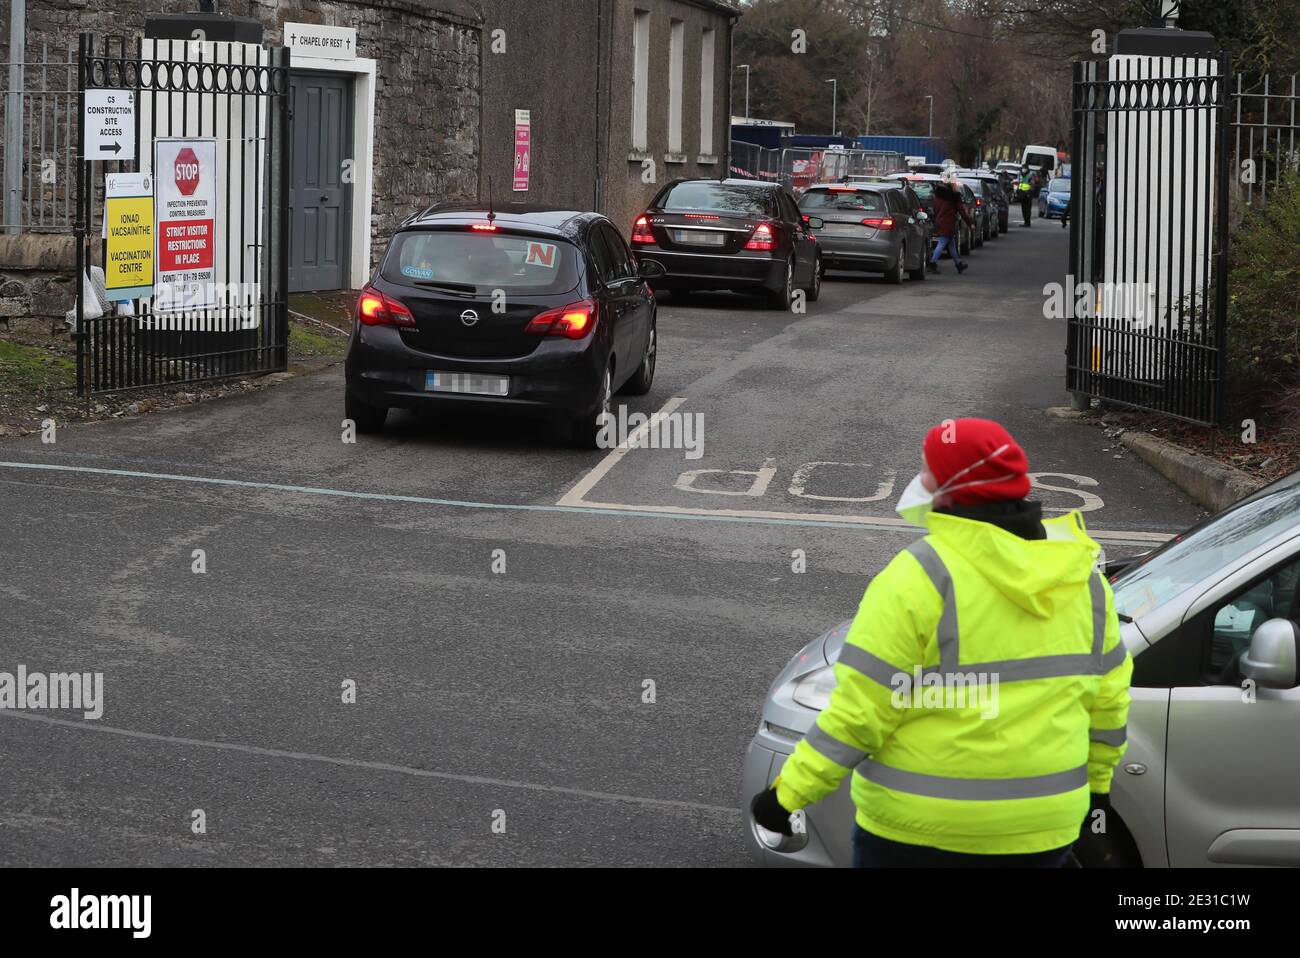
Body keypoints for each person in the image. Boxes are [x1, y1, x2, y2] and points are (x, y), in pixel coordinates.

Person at [750, 417, 1132, 868]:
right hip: (1044, 829)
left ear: (951, 489)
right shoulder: (1085, 583)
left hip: (918, 833)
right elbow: (1107, 705)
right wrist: (1098, 789)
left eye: (928, 469)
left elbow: (859, 714)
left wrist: (785, 797)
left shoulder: (918, 577)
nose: (920, 479)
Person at [926, 173, 975, 274]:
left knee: (951, 244)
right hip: (948, 223)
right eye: (954, 182)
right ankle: (933, 263)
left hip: (940, 221)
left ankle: (958, 264)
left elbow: (935, 208)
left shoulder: (938, 194)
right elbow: (962, 211)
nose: (956, 184)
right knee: (942, 242)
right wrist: (970, 223)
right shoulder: (954, 197)